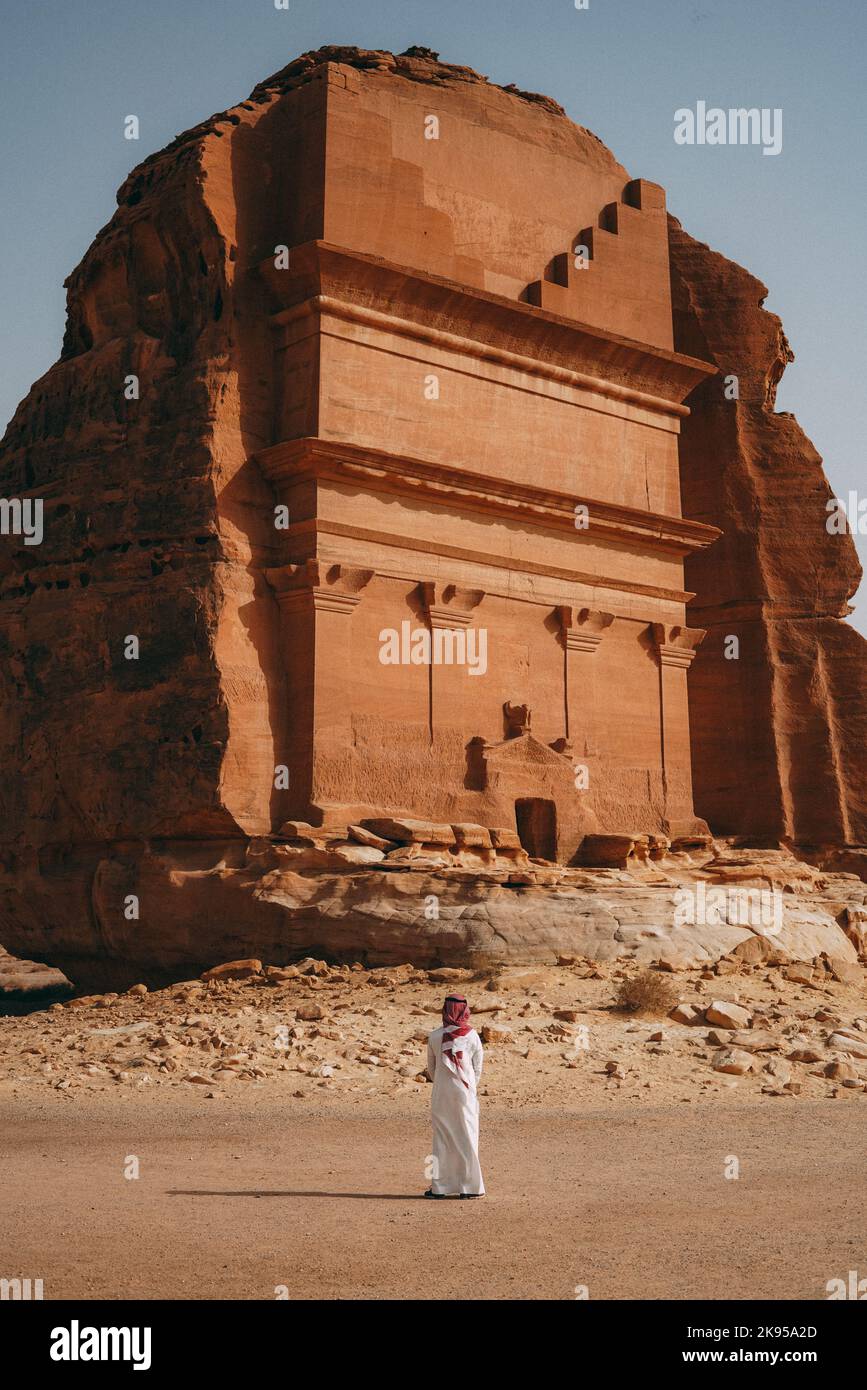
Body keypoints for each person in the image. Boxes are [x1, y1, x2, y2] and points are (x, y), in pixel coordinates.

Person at [424, 994, 485, 1199]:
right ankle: (470, 1188)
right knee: (468, 1135)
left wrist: (443, 1083)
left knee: (441, 1138)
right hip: (465, 1092)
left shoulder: (434, 1036)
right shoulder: (472, 1036)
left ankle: (439, 1188)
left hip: (441, 1093)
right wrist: (469, 1087)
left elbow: (431, 1070)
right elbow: (478, 1067)